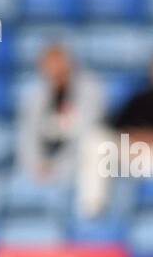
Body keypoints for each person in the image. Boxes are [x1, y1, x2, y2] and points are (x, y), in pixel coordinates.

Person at [17, 43, 110, 215]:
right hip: (43, 166)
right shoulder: (36, 96)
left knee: (97, 142)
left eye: (60, 65)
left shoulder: (89, 90)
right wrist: (37, 164)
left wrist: (56, 166)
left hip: (78, 163)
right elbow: (27, 137)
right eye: (50, 66)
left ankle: (91, 213)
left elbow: (86, 134)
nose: (55, 72)